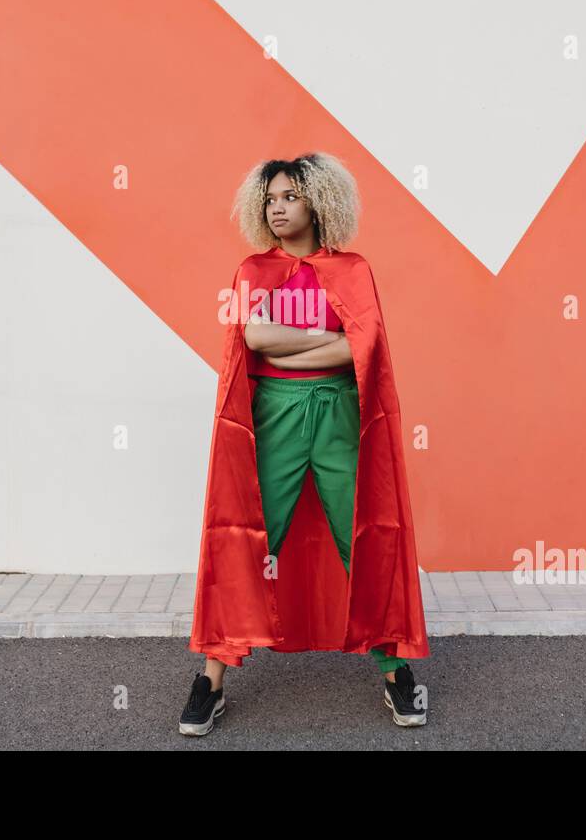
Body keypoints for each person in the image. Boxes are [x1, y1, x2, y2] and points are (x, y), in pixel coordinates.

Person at [181, 152, 429, 736]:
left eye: (289, 196)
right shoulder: (252, 271)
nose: (278, 207)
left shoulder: (353, 269)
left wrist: (301, 346)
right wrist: (329, 338)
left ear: (318, 202)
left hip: (341, 412)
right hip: (274, 416)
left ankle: (396, 672)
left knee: (365, 530)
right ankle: (210, 680)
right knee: (245, 532)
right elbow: (255, 337)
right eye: (271, 199)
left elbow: (360, 351)